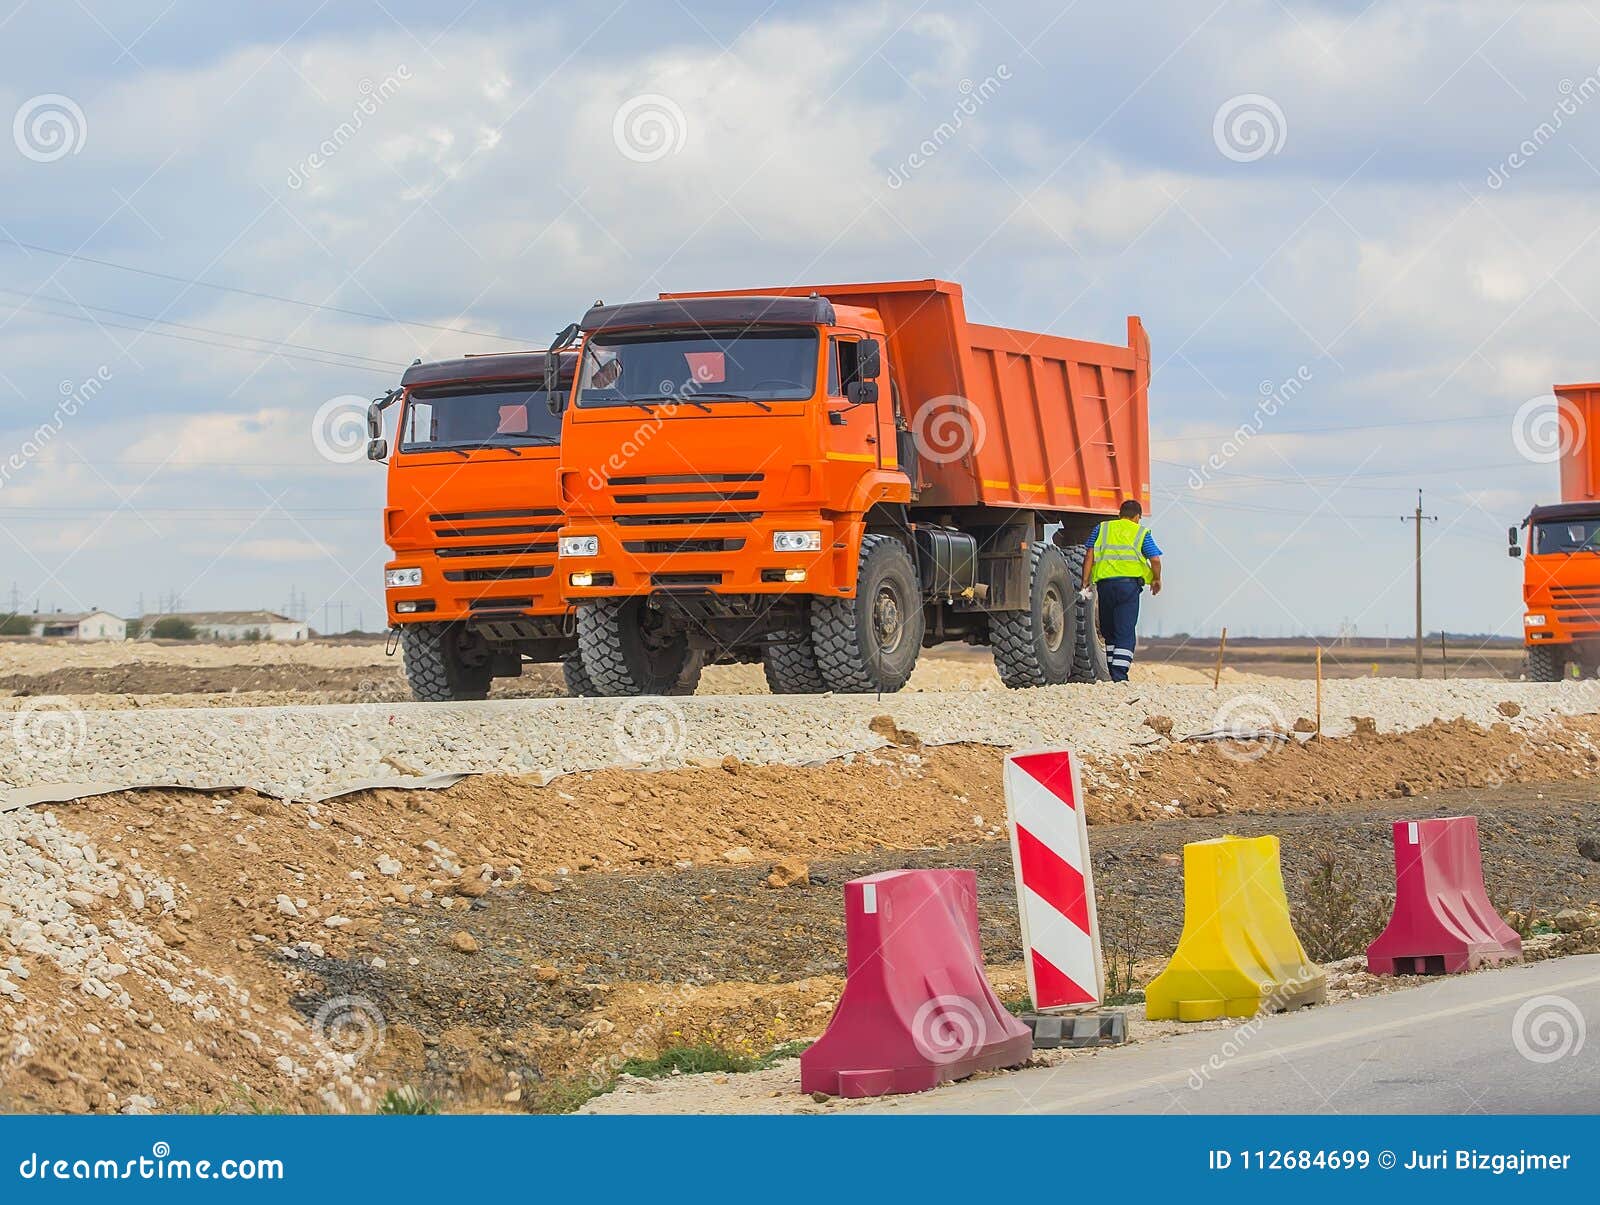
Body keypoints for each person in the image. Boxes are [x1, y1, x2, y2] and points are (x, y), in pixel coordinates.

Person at [1080, 500, 1162, 683]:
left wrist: (1085, 581)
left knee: (1109, 631)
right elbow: (1155, 559)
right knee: (1125, 631)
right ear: (1136, 516)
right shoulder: (1140, 532)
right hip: (1128, 587)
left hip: (1105, 585)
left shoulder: (1102, 528)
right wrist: (1156, 579)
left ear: (1120, 514)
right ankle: (1119, 676)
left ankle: (1113, 673)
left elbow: (1089, 554)